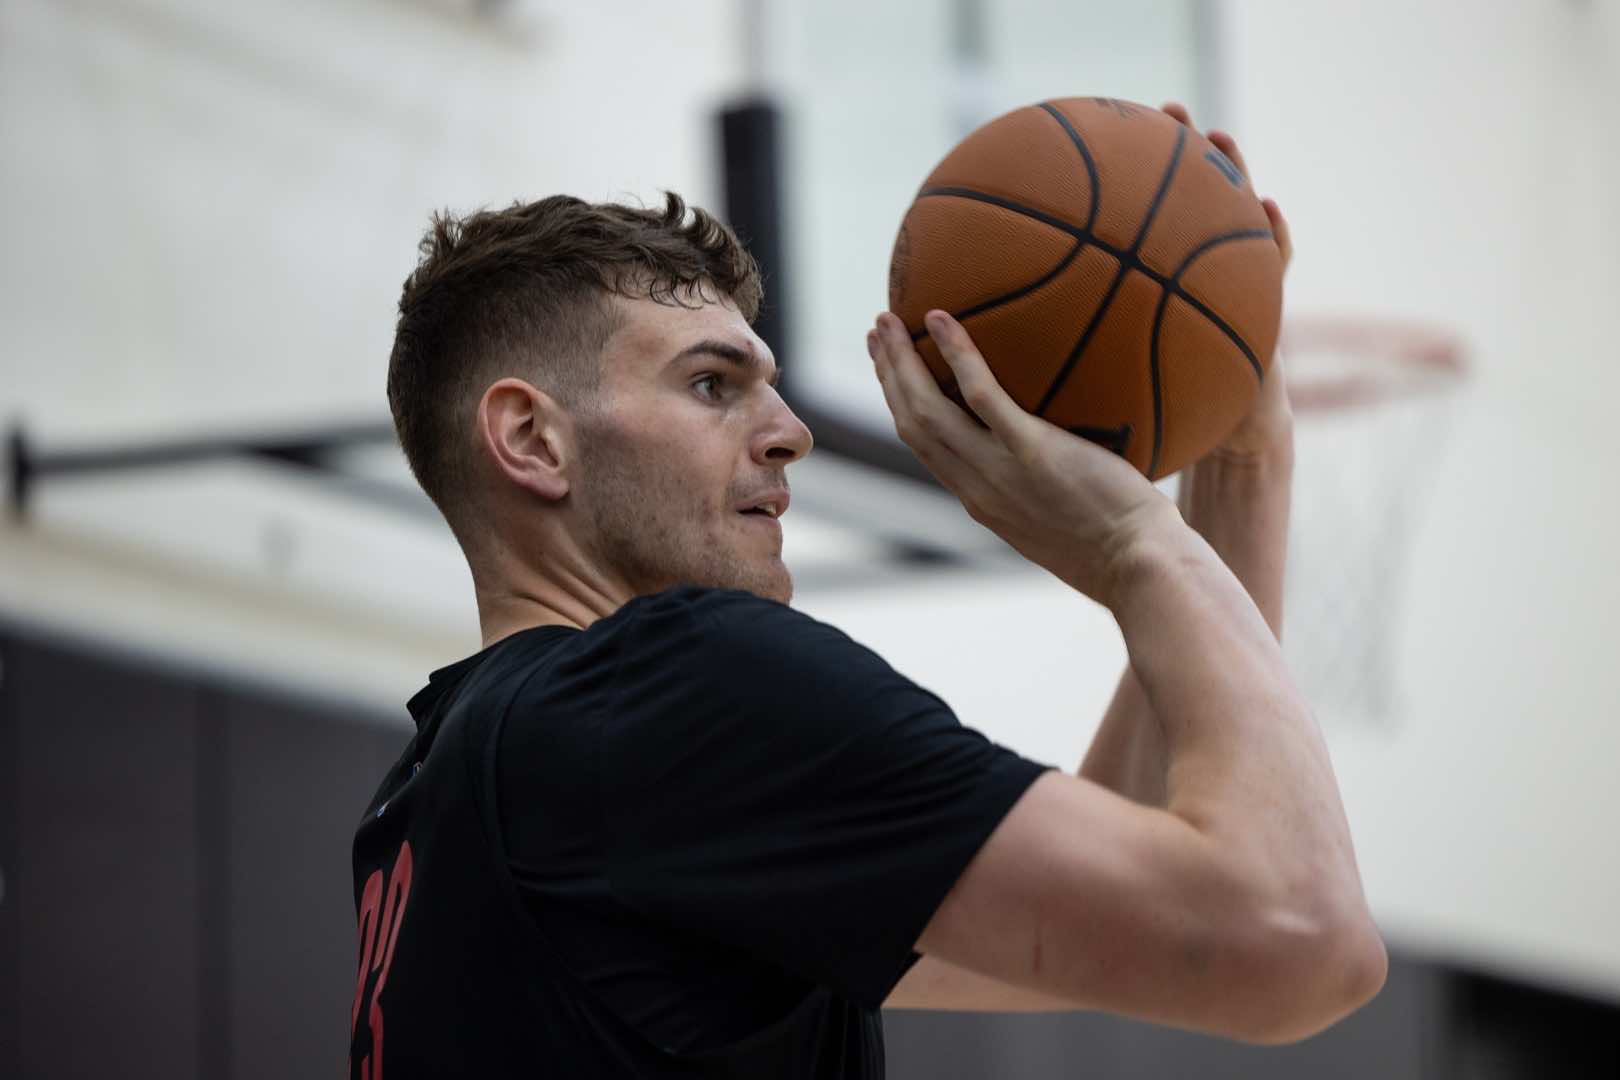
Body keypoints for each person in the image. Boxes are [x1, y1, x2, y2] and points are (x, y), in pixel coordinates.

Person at [348, 105, 1386, 1079]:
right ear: (533, 439)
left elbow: (1123, 894)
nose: (789, 431)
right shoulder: (673, 683)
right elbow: (1299, 942)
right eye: (713, 384)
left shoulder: (453, 783)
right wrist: (1132, 540)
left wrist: (1243, 467)